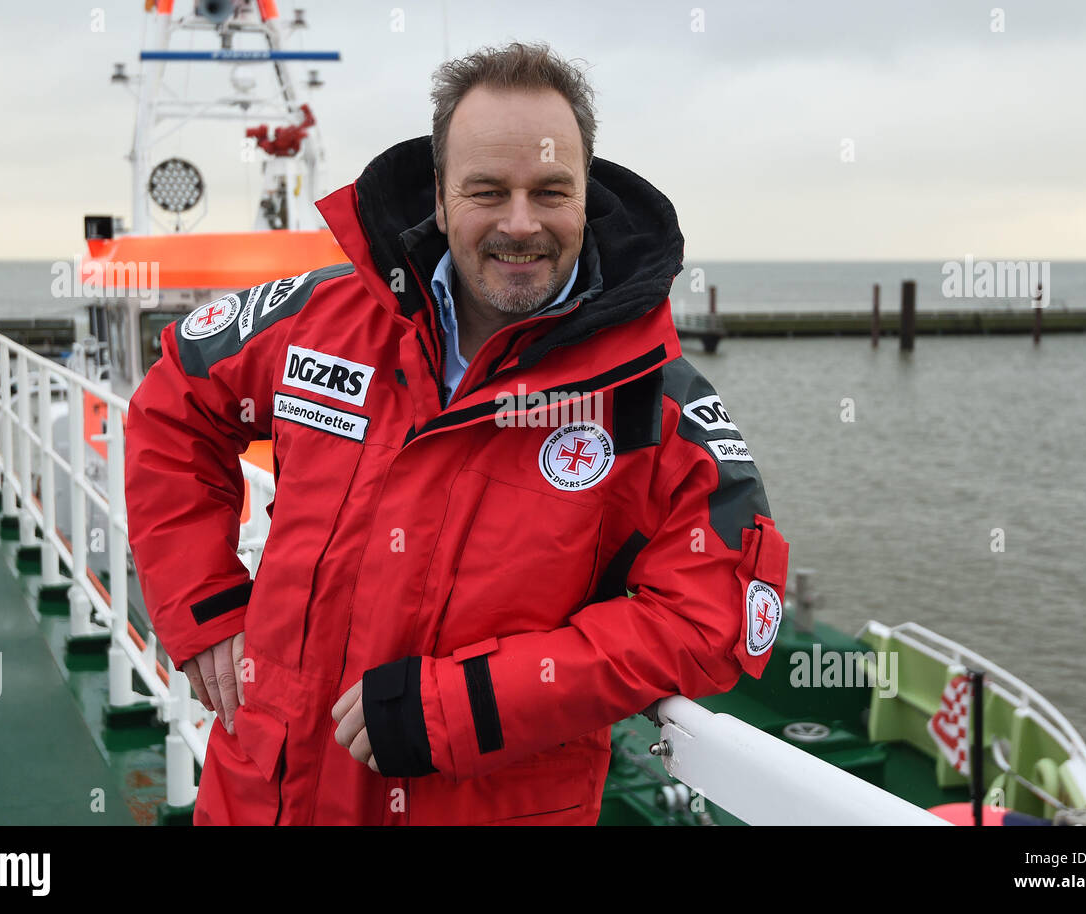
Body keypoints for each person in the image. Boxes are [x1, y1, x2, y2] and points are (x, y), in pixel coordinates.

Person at [125, 41, 790, 826]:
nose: (520, 223)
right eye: (486, 191)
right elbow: (174, 403)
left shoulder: (652, 402)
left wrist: (467, 703)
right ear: (439, 199)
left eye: (550, 191)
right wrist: (203, 608)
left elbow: (716, 611)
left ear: (587, 197)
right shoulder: (318, 324)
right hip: (261, 798)